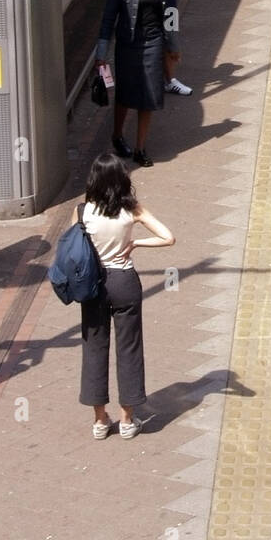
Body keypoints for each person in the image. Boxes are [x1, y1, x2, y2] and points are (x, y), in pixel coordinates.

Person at [79, 153, 174, 440]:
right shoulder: (131, 209)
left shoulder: (83, 210)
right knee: (129, 349)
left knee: (94, 349)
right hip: (124, 283)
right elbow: (168, 237)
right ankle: (127, 420)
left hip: (94, 285)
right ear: (122, 179)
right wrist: (135, 244)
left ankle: (99, 421)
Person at [95, 0, 179, 167]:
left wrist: (173, 45)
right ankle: (117, 136)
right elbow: (108, 18)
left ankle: (140, 148)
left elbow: (171, 14)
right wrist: (101, 53)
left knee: (148, 97)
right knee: (125, 95)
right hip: (128, 46)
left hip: (153, 44)